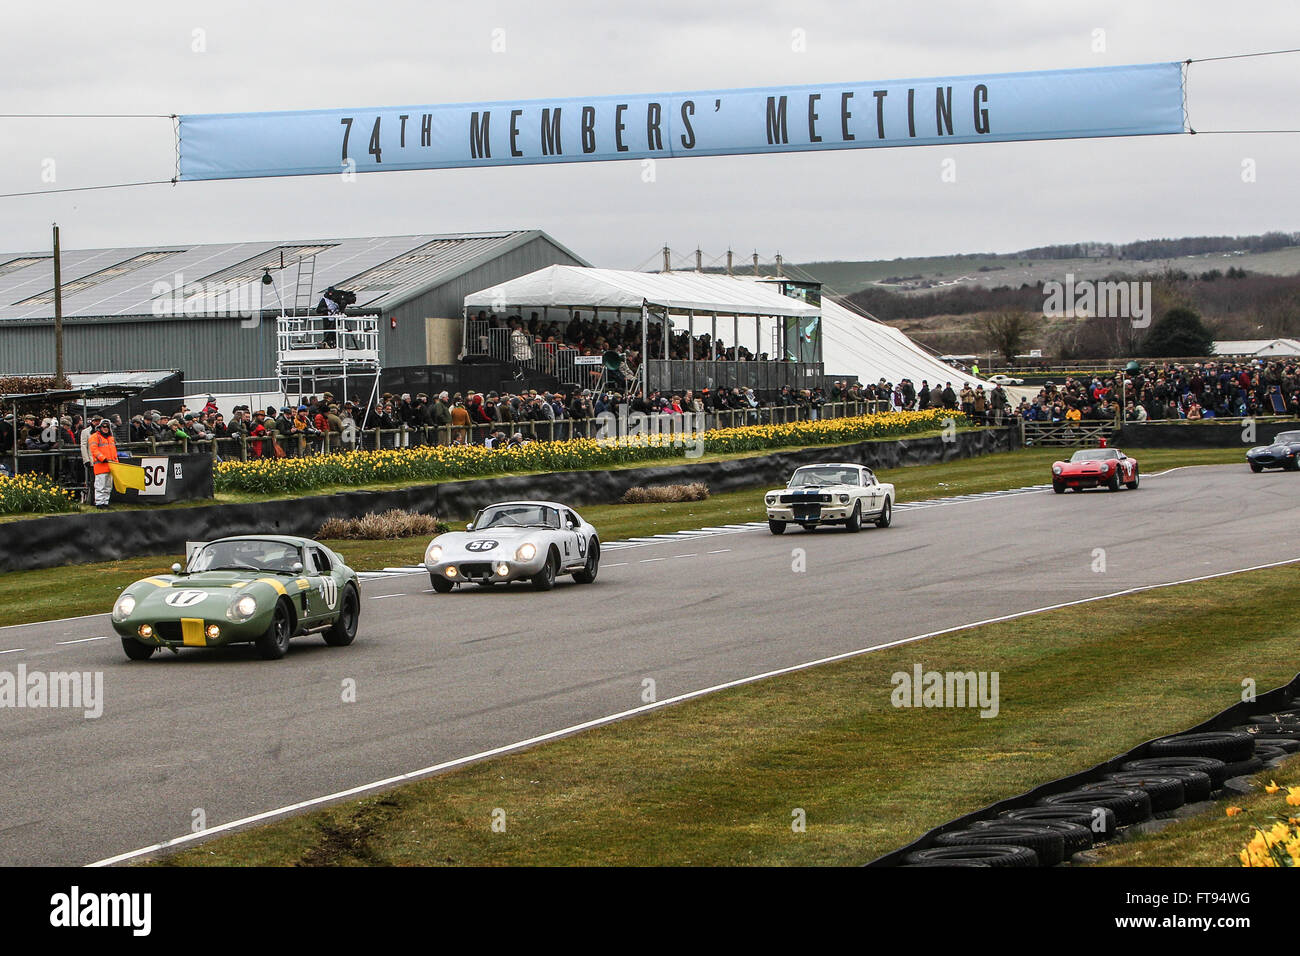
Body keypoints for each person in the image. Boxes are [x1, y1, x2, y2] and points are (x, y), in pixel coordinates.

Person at [87, 419, 118, 508]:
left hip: (110, 466)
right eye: (104, 426)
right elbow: (94, 450)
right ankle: (99, 503)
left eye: (107, 427)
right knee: (100, 486)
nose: (106, 428)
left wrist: (116, 464)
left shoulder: (111, 438)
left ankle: (105, 502)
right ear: (99, 427)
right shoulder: (94, 436)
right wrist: (102, 458)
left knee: (108, 486)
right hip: (101, 465)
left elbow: (114, 452)